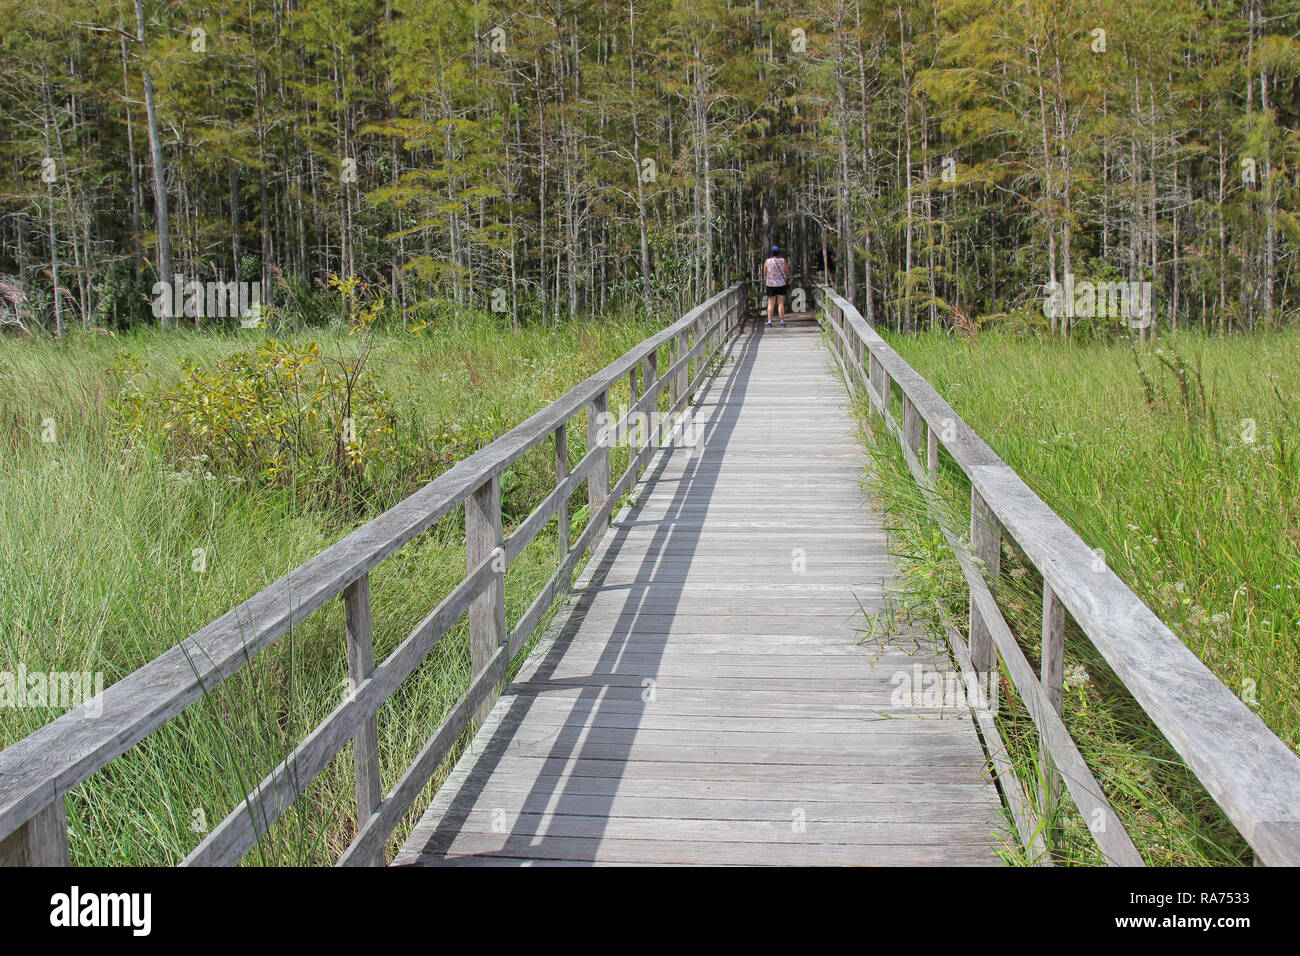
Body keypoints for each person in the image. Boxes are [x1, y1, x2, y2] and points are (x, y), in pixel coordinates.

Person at [762, 245, 789, 327]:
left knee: (771, 303)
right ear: (779, 253)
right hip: (781, 284)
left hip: (770, 284)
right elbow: (787, 272)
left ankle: (770, 321)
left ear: (772, 253)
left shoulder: (767, 261)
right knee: (781, 303)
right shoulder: (783, 261)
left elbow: (765, 272)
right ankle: (781, 321)